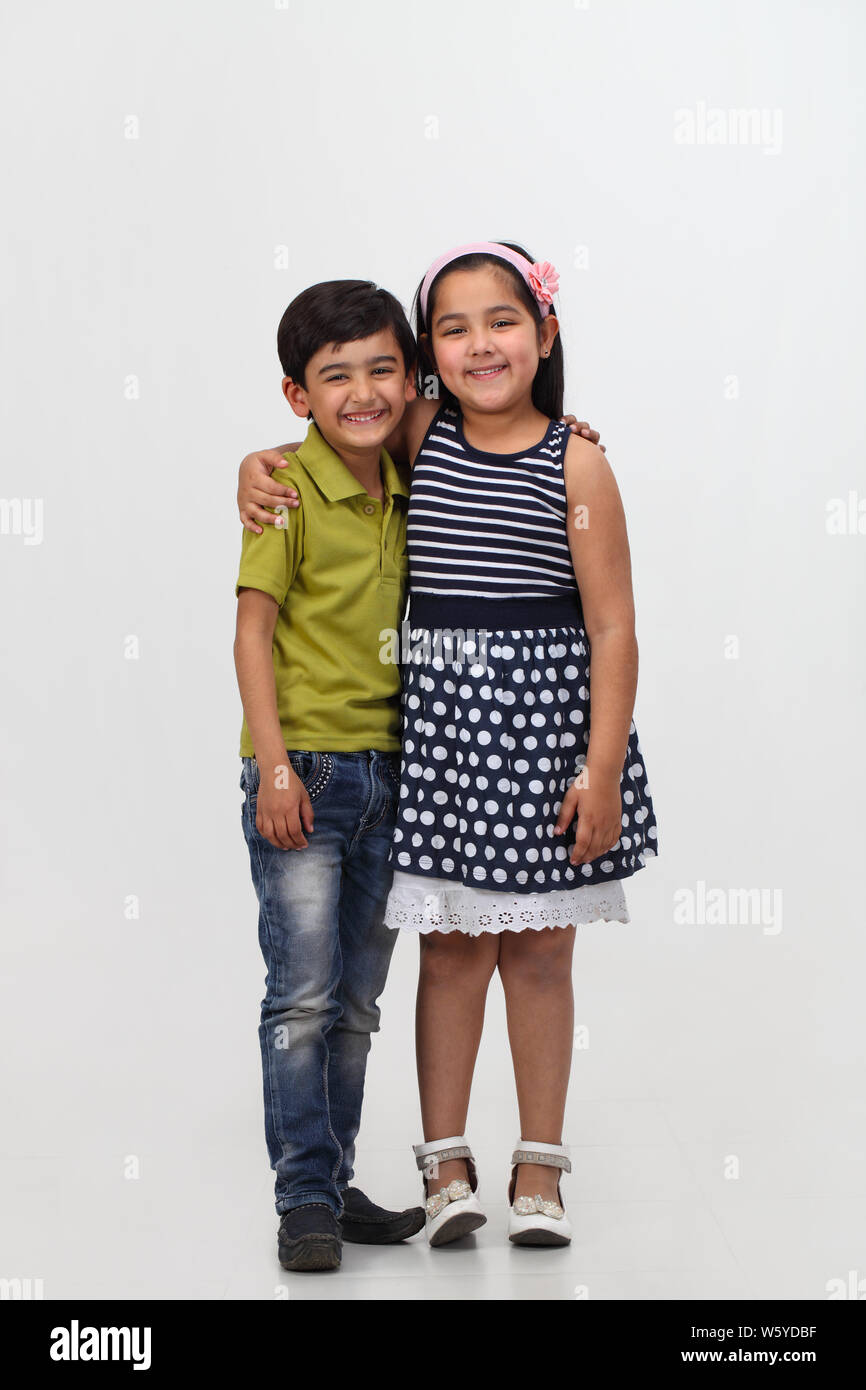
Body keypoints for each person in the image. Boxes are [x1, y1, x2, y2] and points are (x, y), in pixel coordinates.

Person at [235, 249, 616, 1255]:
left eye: (503, 320)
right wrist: (254, 462)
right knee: (425, 959)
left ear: (544, 333)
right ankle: (400, 1174)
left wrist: (602, 764)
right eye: (451, 327)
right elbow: (332, 427)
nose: (480, 343)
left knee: (517, 956)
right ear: (428, 363)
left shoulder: (572, 460)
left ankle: (535, 1163)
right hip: (424, 748)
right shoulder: (419, 434)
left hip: (529, 740)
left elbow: (613, 626)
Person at [234, 278, 426, 1273]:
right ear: (296, 394)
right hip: (303, 777)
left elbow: (497, 425)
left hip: (397, 776)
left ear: (407, 375)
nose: (362, 391)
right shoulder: (283, 492)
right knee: (302, 998)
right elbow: (251, 631)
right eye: (334, 375)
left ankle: (336, 1182)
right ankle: (301, 1195)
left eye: (381, 368)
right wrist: (272, 766)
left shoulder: (409, 473)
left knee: (356, 1004)